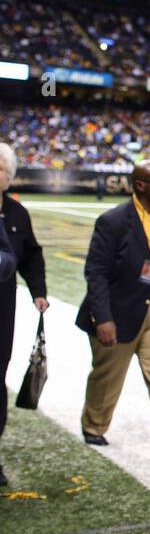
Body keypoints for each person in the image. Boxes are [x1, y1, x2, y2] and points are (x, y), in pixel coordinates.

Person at [73, 162, 150, 461]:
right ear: (140, 185)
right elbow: (96, 272)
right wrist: (103, 318)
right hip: (118, 312)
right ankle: (94, 426)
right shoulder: (113, 221)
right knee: (108, 376)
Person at [0, 143, 49, 487]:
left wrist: (39, 291)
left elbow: (31, 255)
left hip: (4, 304)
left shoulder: (16, 213)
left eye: (1, 169)